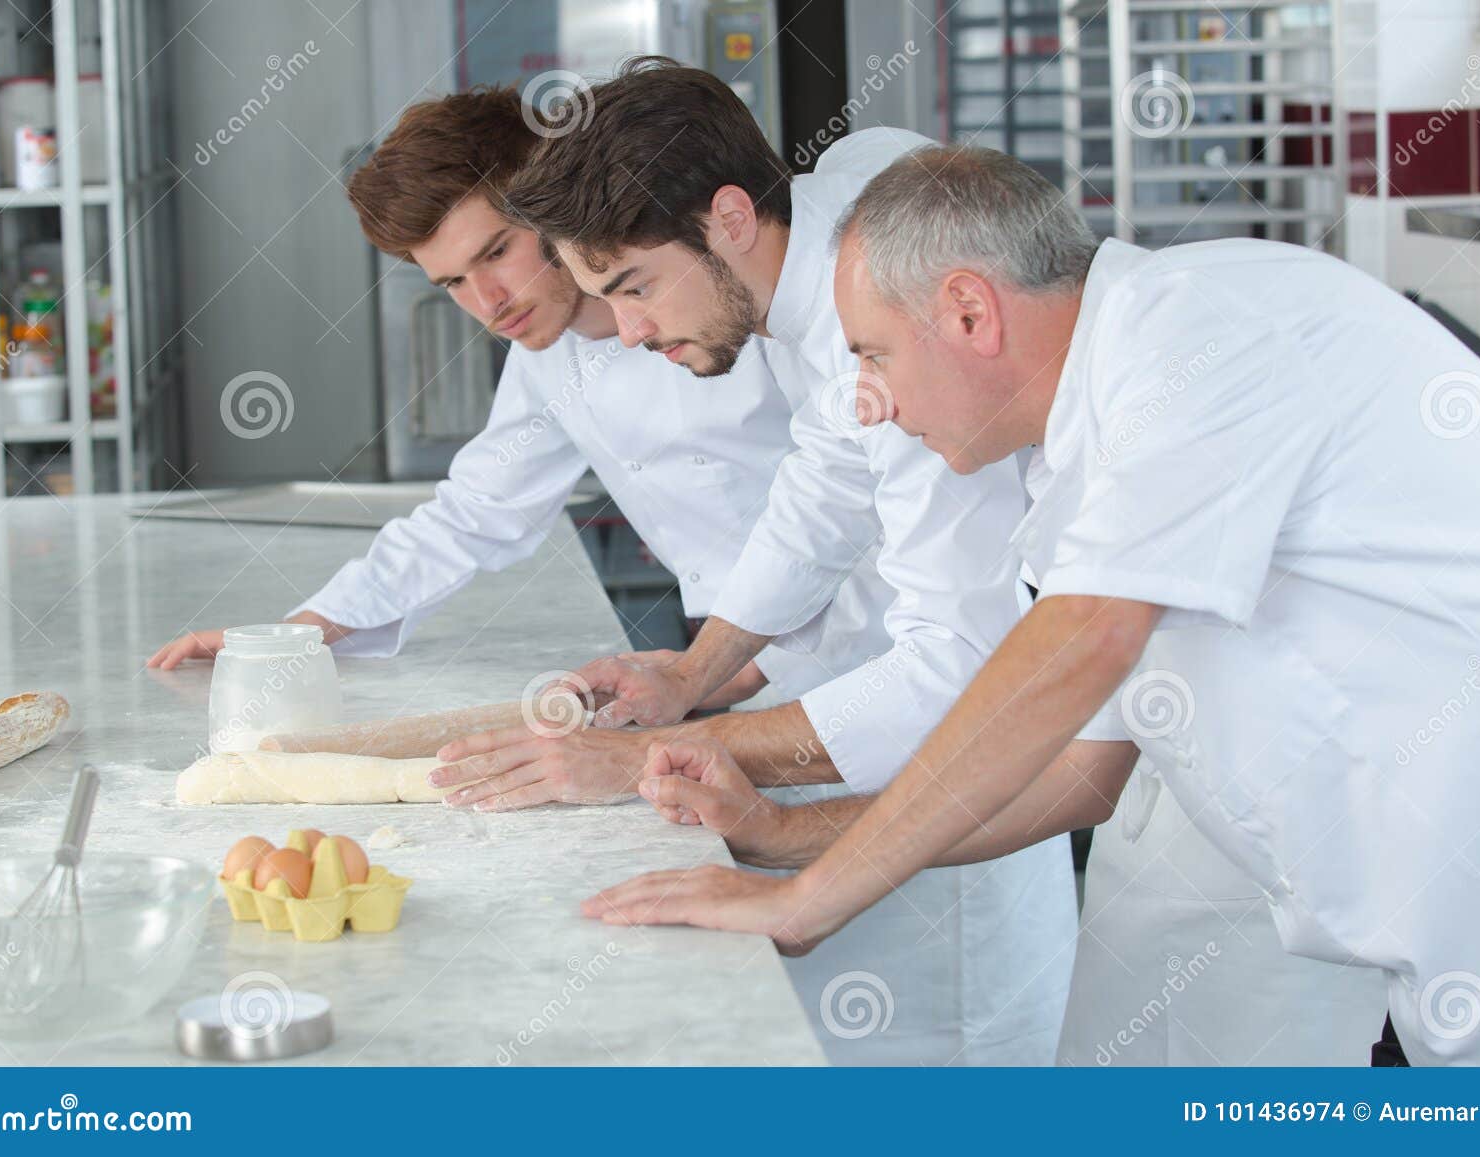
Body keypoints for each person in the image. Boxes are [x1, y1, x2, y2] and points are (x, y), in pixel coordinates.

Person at [586, 143, 1480, 1067]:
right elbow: (1080, 770)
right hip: (1431, 951)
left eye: (872, 356)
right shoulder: (1081, 449)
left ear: (969, 311)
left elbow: (1084, 640)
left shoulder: (1195, 331)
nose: (869, 406)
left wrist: (813, 898)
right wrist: (784, 838)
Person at [439, 59, 1079, 1066]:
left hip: (1010, 789)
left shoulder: (889, 307)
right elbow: (821, 488)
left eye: (636, 287)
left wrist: (659, 755)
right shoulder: (813, 256)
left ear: (729, 214)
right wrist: (693, 673)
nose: (631, 330)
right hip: (965, 753)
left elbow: (957, 668)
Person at [146, 87, 888, 747]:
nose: (489, 303)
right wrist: (297, 636)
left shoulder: (733, 295)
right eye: (452, 284)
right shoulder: (549, 352)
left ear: (547, 207)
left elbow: (847, 505)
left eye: (497, 252)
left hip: (876, 656)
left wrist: (732, 669)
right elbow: (474, 512)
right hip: (737, 668)